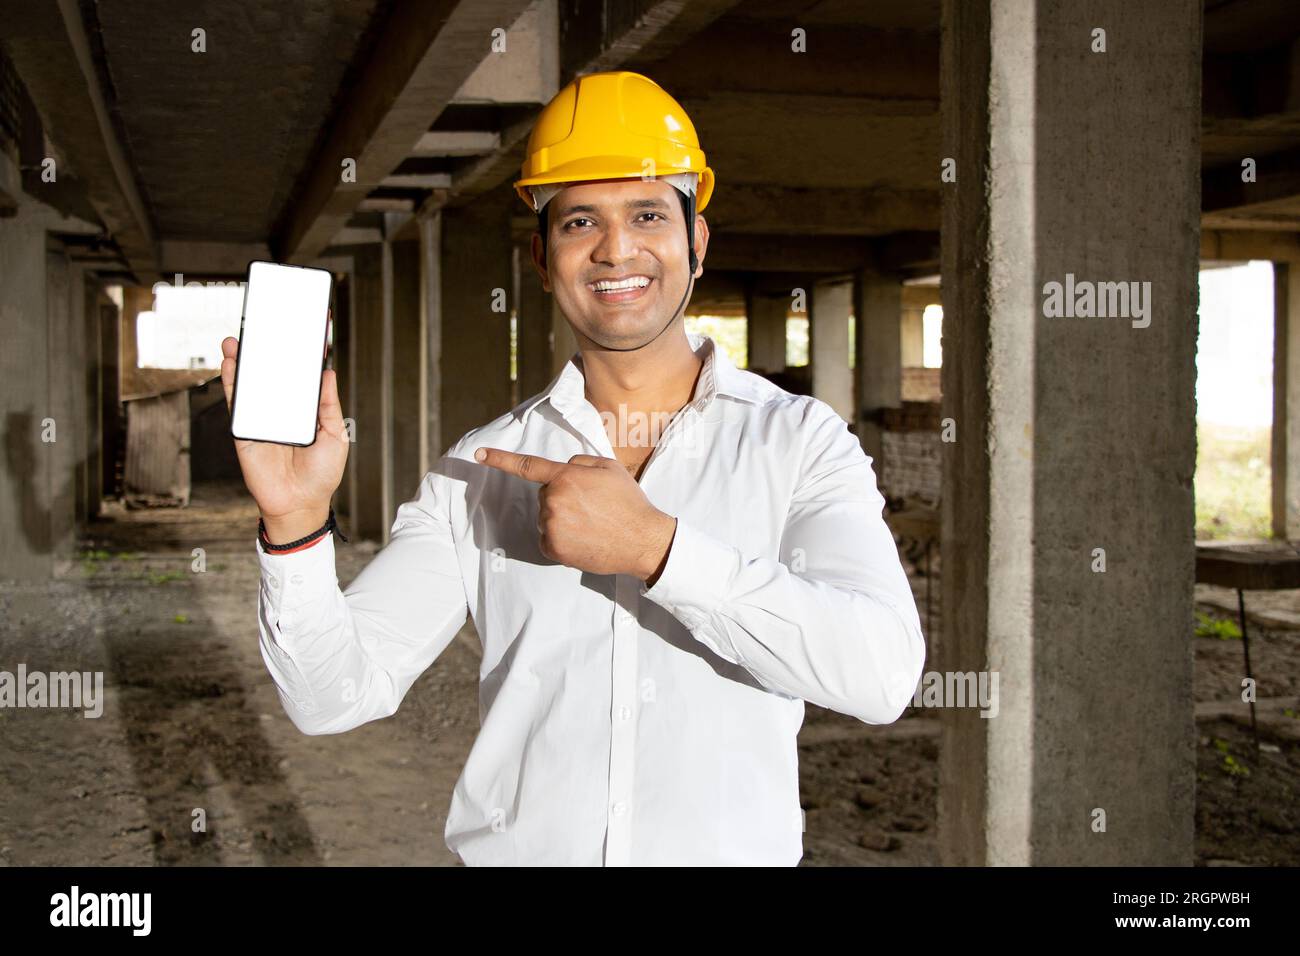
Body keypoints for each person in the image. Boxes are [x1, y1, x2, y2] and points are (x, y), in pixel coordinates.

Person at [221, 70, 925, 866]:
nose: (616, 248)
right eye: (580, 220)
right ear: (543, 257)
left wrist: (661, 552)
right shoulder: (479, 472)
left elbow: (881, 674)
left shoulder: (798, 442)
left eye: (649, 214)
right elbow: (329, 696)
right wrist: (295, 522)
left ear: (696, 243)